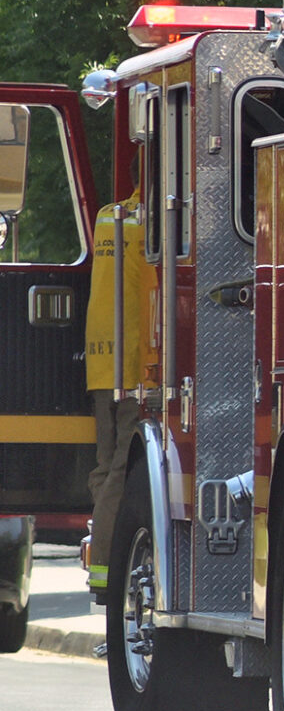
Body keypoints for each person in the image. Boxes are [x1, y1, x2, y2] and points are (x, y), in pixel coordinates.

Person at [83, 176, 149, 599]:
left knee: (105, 470)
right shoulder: (154, 223)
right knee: (121, 474)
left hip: (101, 363)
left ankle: (99, 568)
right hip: (134, 365)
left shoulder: (110, 216)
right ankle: (106, 573)